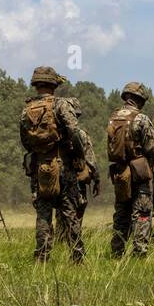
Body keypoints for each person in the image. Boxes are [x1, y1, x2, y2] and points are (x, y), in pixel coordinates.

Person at [19, 66, 88, 263]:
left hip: (41, 169)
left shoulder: (27, 110)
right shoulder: (61, 105)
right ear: (54, 84)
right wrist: (79, 156)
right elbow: (74, 132)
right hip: (63, 166)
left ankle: (42, 257)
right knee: (70, 213)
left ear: (36, 84)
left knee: (43, 214)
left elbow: (25, 141)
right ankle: (77, 257)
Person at [107, 82, 154, 257]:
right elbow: (151, 148)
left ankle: (117, 251)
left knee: (122, 212)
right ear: (139, 100)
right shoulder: (141, 119)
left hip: (121, 173)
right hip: (139, 173)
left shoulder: (113, 117)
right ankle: (140, 252)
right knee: (142, 213)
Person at [61, 97, 100, 235]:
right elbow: (91, 160)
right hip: (76, 180)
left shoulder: (56, 135)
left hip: (59, 176)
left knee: (61, 210)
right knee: (76, 210)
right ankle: (74, 239)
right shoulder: (81, 135)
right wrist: (97, 180)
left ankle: (60, 238)